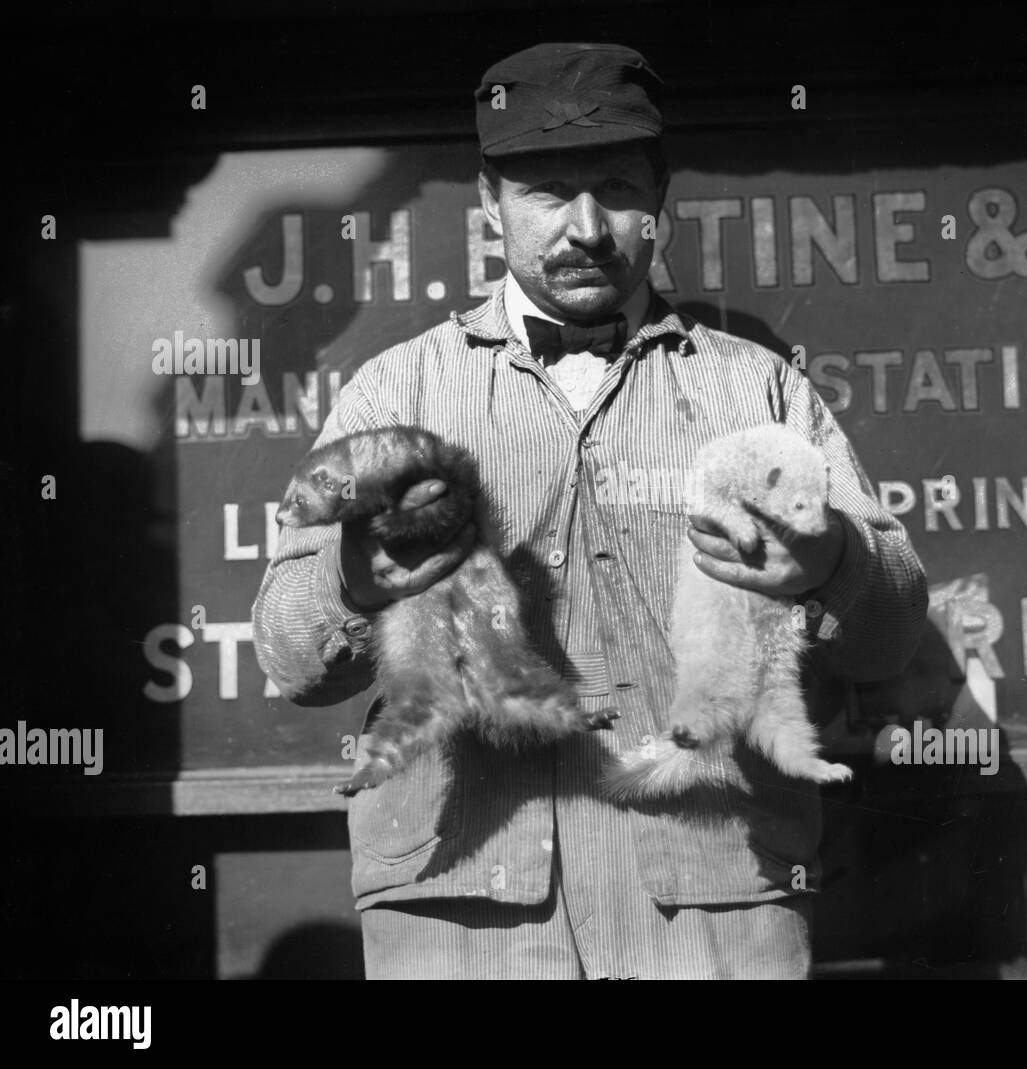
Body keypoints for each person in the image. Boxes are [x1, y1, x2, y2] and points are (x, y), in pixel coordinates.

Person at [252, 41, 928, 980]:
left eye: (614, 186)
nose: (584, 227)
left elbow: (891, 634)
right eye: (543, 192)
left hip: (711, 906)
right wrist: (352, 581)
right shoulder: (394, 393)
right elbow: (287, 657)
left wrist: (835, 565)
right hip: (461, 912)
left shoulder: (759, 390)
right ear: (490, 203)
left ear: (661, 198)